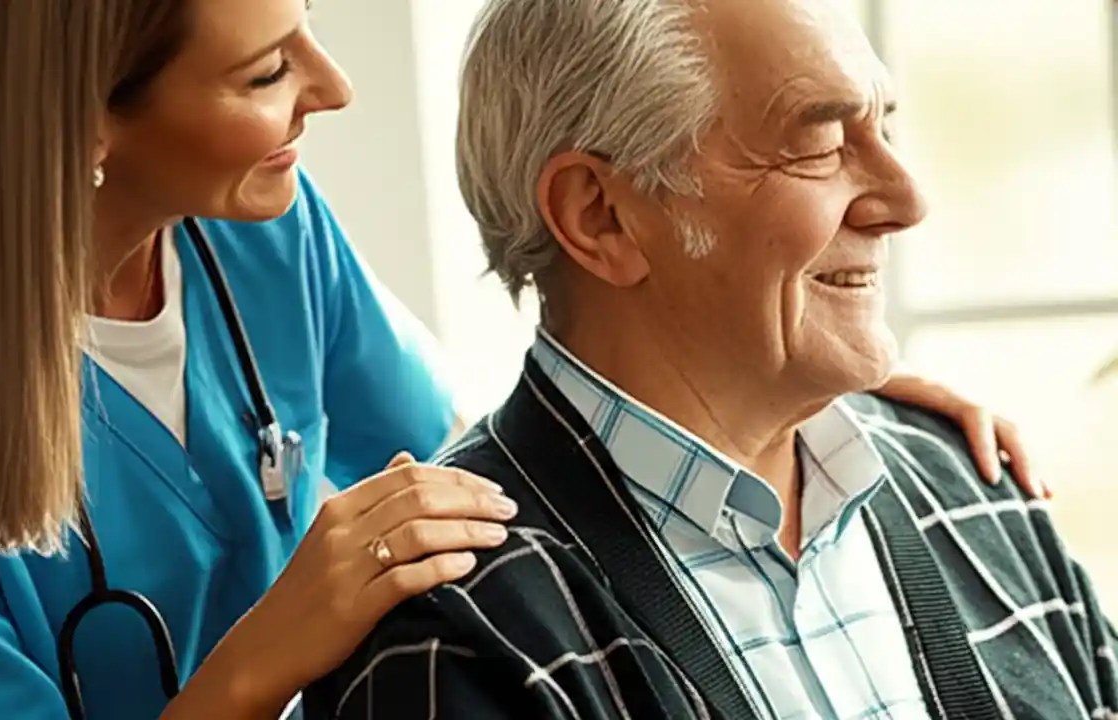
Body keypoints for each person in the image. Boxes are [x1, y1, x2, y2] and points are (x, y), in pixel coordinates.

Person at [0, 1, 1044, 719]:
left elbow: (504, 468)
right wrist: (263, 657)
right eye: (265, 72)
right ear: (83, 120)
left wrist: (779, 372)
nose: (335, 84)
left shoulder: (257, 241)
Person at [306, 0, 1118, 718]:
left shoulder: (969, 482)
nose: (906, 199)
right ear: (602, 217)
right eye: (822, 145)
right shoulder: (455, 630)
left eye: (885, 130)